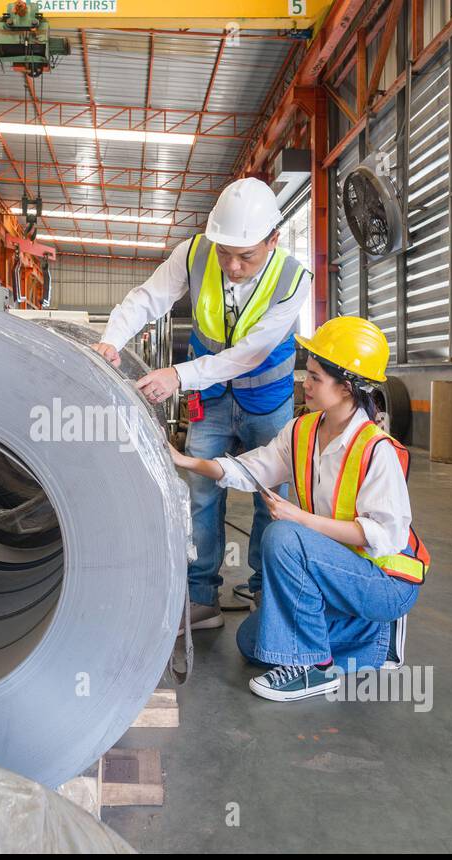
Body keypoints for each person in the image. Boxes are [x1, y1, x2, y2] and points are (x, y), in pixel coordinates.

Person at [168, 316, 430, 702]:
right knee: (253, 641)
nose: (304, 383)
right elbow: (250, 468)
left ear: (346, 388)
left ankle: (313, 669)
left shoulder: (377, 450)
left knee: (284, 537)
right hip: (335, 572)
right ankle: (373, 639)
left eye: (315, 377)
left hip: (383, 580)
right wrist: (186, 462)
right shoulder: (302, 431)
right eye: (306, 373)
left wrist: (300, 519)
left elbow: (384, 536)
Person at [91, 178, 311, 630]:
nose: (231, 264)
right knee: (200, 495)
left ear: (273, 239)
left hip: (268, 404)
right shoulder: (193, 253)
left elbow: (249, 353)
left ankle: (265, 591)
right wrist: (112, 340)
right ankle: (201, 599)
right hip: (209, 401)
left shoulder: (293, 280)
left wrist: (180, 375)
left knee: (274, 498)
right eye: (224, 251)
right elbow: (147, 299)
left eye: (245, 255)